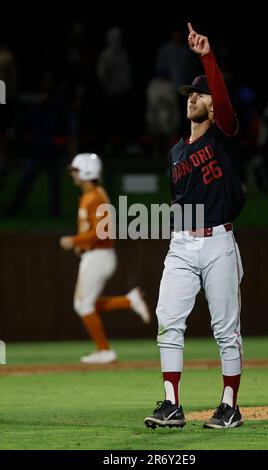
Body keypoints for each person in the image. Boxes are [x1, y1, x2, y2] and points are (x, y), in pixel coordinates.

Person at [144, 23, 245, 430]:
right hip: (182, 244)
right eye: (191, 94)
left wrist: (207, 56)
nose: (194, 99)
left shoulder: (223, 136)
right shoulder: (175, 152)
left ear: (214, 105)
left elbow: (221, 97)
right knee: (167, 317)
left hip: (219, 241)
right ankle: (171, 405)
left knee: (225, 330)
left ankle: (230, 406)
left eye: (201, 94)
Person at [60, 153, 150, 364]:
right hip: (97, 255)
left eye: (76, 171)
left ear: (85, 171)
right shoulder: (91, 195)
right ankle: (129, 301)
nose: (73, 175)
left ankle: (104, 350)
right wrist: (81, 243)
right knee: (86, 304)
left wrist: (75, 241)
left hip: (98, 256)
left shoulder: (95, 197)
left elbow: (103, 231)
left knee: (82, 305)